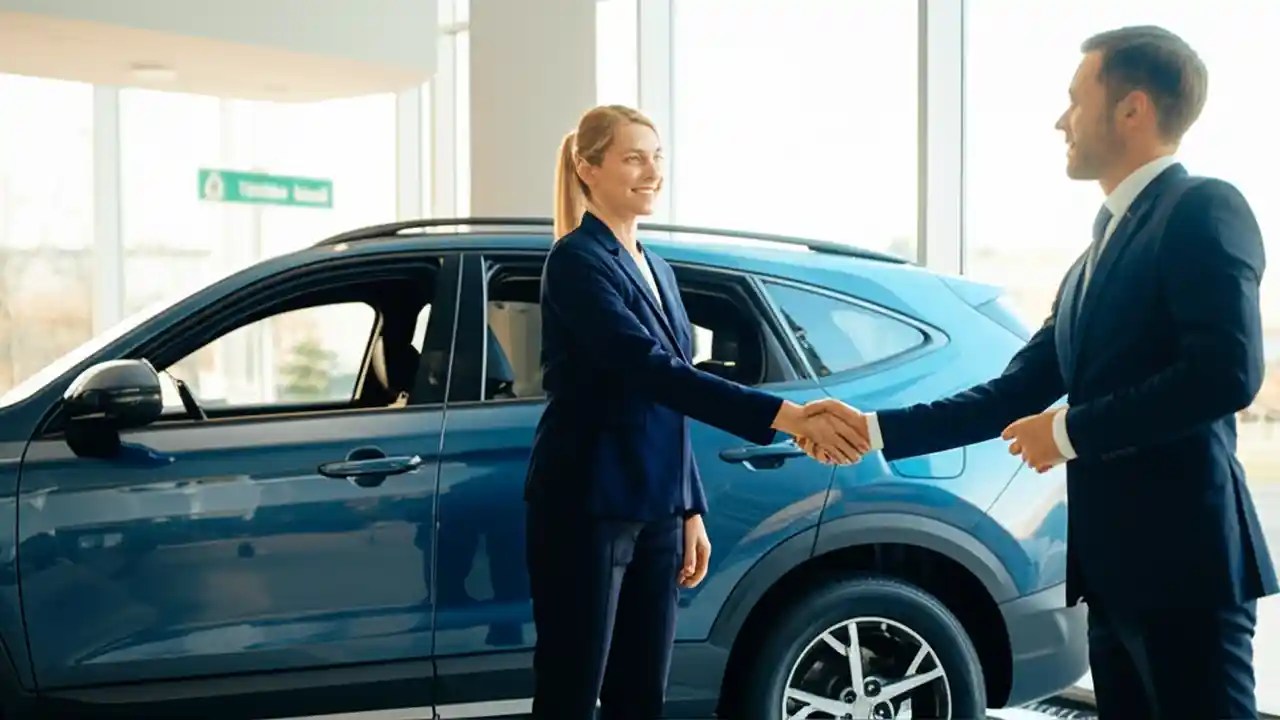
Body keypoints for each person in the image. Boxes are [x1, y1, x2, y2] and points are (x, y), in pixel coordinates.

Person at [801, 25, 1275, 720]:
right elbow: (1015, 389)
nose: (1062, 121)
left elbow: (1225, 374)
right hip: (1113, 575)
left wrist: (1070, 432)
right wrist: (870, 428)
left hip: (1187, 569)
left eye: (1075, 100)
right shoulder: (1094, 255)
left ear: (1132, 109)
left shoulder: (1204, 208)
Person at [524, 104, 868, 720]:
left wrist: (689, 508)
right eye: (633, 157)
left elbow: (674, 397)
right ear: (588, 167)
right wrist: (788, 417)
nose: (652, 171)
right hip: (588, 503)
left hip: (656, 505)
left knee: (642, 692)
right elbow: (651, 371)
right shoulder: (575, 261)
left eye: (657, 157)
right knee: (570, 691)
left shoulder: (656, 265)